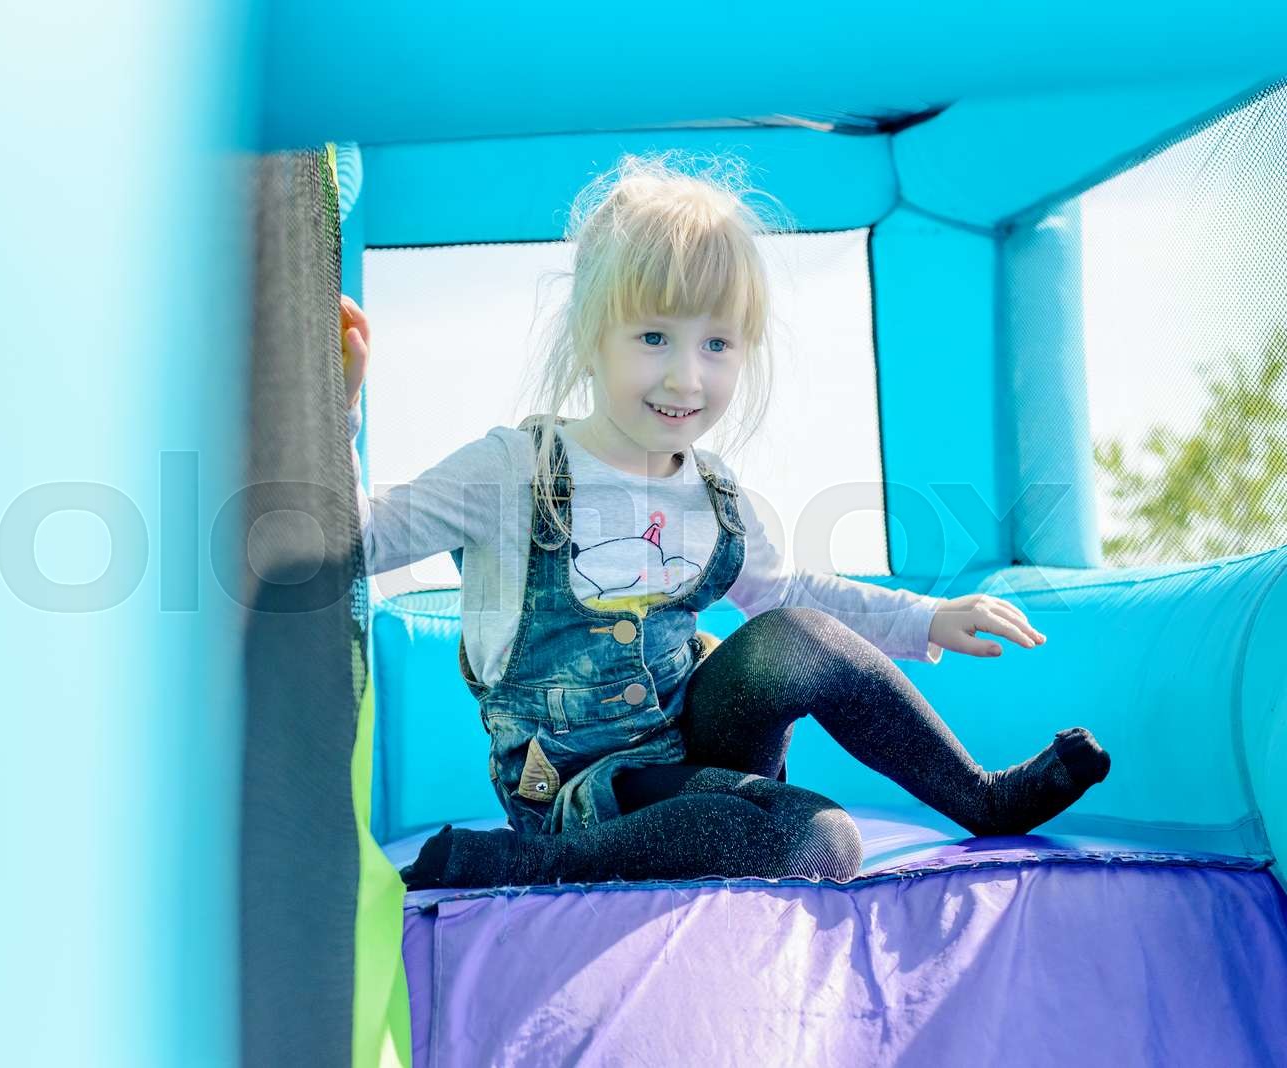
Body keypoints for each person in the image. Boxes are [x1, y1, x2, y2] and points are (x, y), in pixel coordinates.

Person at [341, 151, 1110, 890]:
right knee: (821, 839)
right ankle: (518, 862)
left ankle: (980, 798)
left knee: (796, 635)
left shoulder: (712, 494)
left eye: (716, 344)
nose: (686, 376)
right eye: (653, 338)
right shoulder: (515, 472)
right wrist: (338, 414)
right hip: (577, 793)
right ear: (590, 335)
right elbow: (361, 539)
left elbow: (788, 593)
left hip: (695, 747)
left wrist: (929, 618)